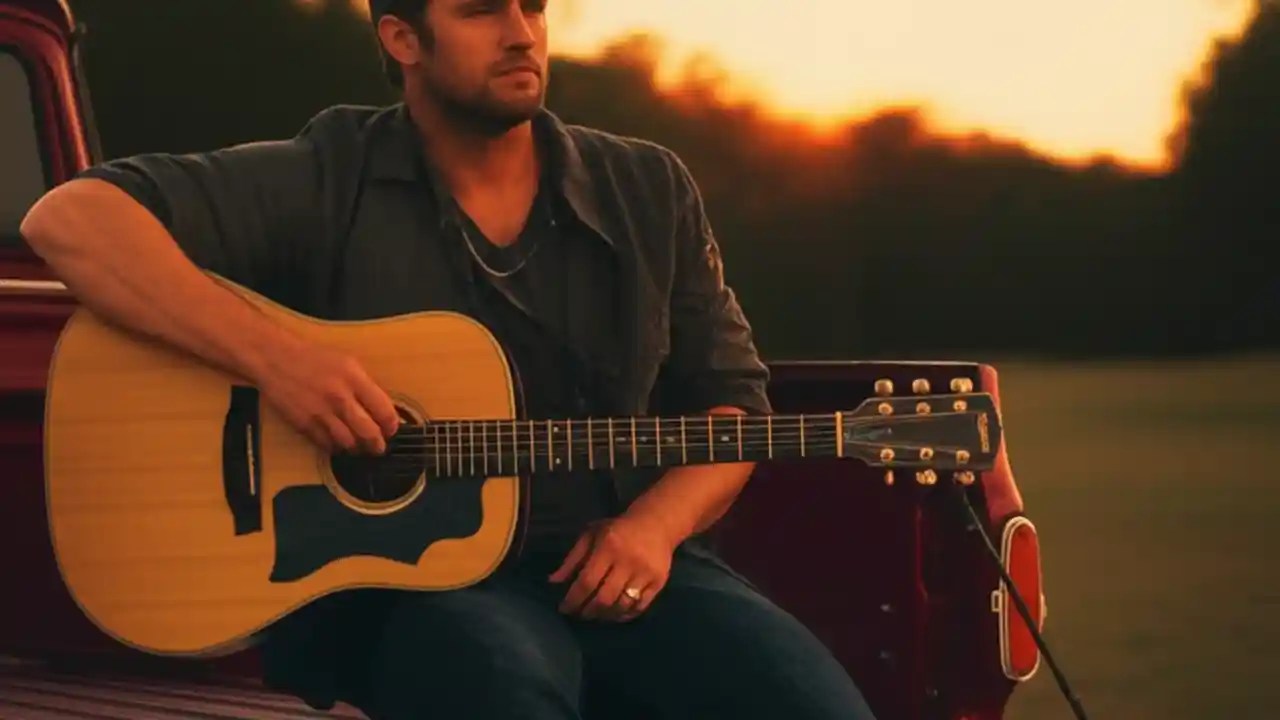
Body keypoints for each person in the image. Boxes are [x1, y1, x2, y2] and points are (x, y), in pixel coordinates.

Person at [20, 1, 877, 718]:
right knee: (493, 681)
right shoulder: (330, 176)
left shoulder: (647, 189)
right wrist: (280, 363)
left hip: (630, 565)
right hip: (416, 584)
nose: (521, 32)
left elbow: (735, 408)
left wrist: (653, 530)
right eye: (479, 10)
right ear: (403, 39)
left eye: (532, 7)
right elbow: (69, 221)